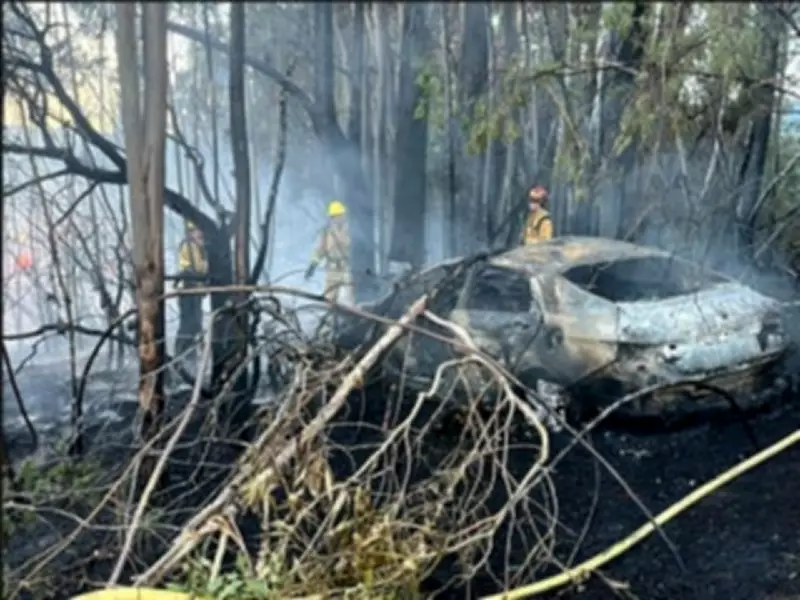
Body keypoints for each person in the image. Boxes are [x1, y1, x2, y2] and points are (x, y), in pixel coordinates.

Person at [305, 200, 352, 304]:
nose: (339, 218)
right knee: (329, 299)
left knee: (349, 300)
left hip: (347, 270)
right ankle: (330, 319)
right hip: (332, 270)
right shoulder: (326, 233)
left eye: (340, 215)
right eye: (335, 216)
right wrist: (312, 266)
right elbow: (319, 251)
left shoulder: (351, 231)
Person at [175, 221, 208, 363]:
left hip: (196, 291)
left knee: (195, 325)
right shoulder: (188, 247)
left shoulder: (200, 249)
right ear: (190, 233)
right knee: (188, 326)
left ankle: (191, 359)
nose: (200, 233)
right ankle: (181, 358)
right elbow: (191, 268)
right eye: (196, 231)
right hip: (188, 289)